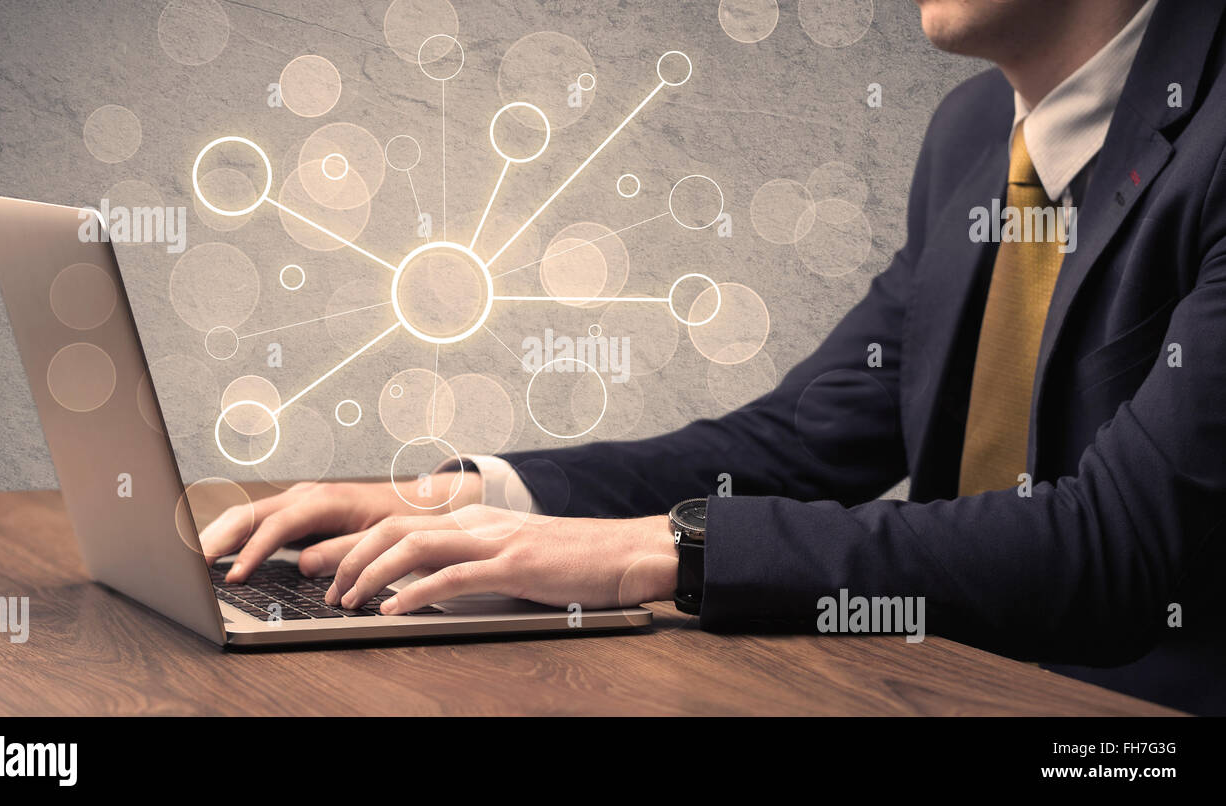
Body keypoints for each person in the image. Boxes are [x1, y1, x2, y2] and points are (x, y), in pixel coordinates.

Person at [201, 0, 1226, 714]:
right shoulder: (970, 137)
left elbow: (1118, 548)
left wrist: (671, 551)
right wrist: (475, 497)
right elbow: (799, 439)